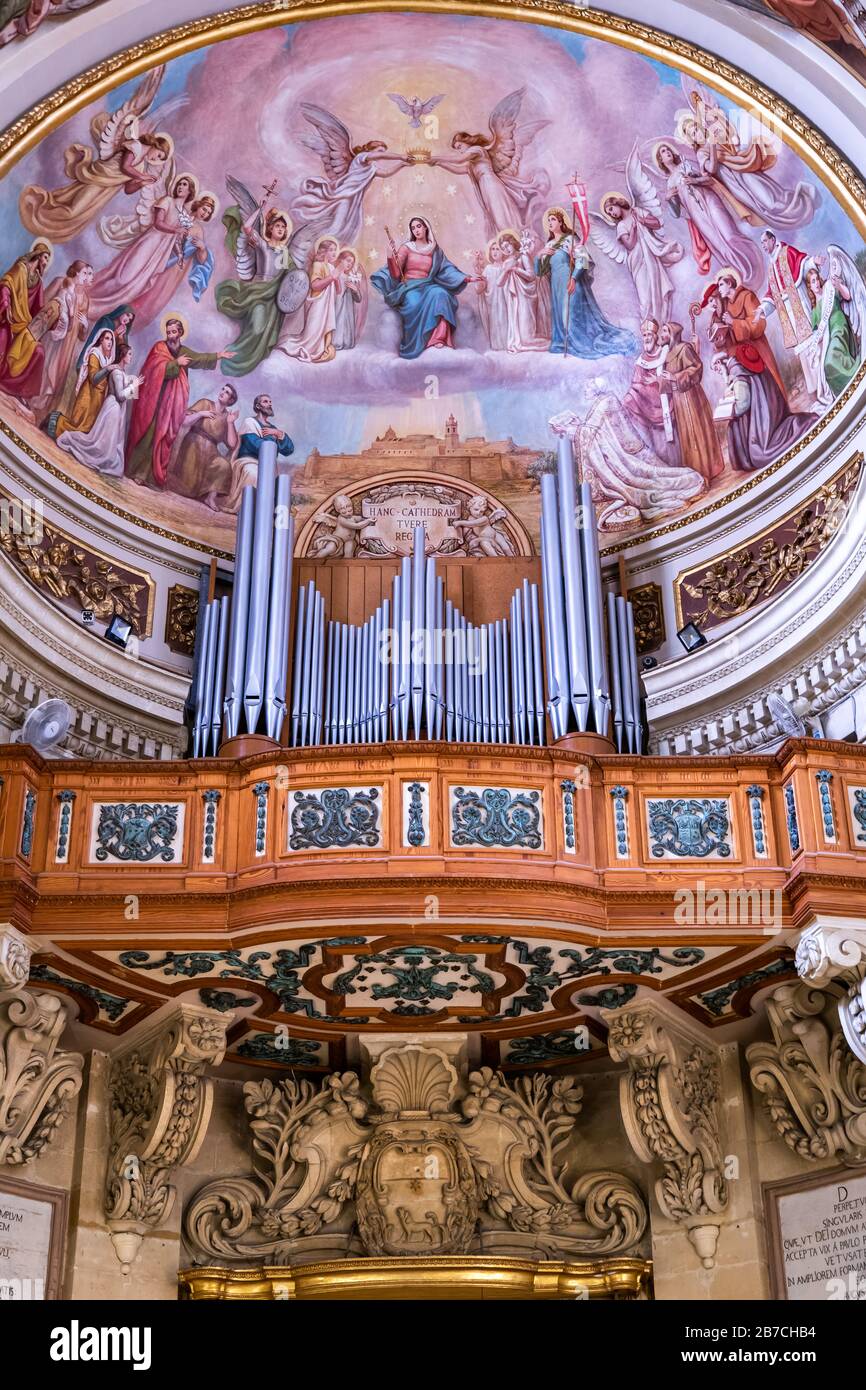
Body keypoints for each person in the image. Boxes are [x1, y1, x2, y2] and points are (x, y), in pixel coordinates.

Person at [550, 390, 705, 531]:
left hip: (615, 477)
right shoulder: (584, 432)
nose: (562, 437)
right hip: (601, 482)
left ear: (568, 424)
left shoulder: (583, 433)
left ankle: (680, 483)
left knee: (643, 482)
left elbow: (601, 462)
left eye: (561, 432)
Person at [125, 315, 234, 488]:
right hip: (153, 401)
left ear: (180, 333)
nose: (170, 335)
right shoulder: (159, 347)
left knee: (162, 438)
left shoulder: (184, 351)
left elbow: (199, 358)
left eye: (174, 332)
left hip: (169, 405)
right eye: (168, 332)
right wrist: (176, 363)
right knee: (149, 434)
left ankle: (151, 477)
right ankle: (137, 472)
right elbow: (152, 369)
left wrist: (218, 355)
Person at [88, 173, 199, 320]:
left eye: (184, 185)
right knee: (124, 278)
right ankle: (89, 296)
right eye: (179, 184)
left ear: (190, 191)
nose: (180, 186)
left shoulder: (184, 214)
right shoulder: (167, 201)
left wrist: (179, 253)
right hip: (150, 242)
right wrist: (175, 230)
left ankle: (101, 310)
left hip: (160, 252)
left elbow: (176, 239)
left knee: (137, 286)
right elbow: (158, 223)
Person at [653, 142, 763, 283]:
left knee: (730, 236)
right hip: (698, 215)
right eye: (663, 151)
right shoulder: (670, 184)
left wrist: (694, 180)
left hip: (710, 200)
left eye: (668, 149)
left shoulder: (686, 165)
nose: (667, 151)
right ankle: (741, 277)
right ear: (661, 160)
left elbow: (708, 179)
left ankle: (755, 263)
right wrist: (669, 199)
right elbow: (676, 213)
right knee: (720, 246)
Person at [534, 208, 637, 359]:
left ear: (561, 222)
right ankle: (564, 343)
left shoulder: (571, 239)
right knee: (562, 319)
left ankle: (580, 343)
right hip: (556, 287)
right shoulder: (549, 245)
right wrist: (538, 256)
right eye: (548, 220)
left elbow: (583, 261)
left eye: (553, 219)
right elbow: (540, 272)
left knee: (572, 317)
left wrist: (574, 278)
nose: (550, 222)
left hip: (572, 282)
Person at [371, 216, 477, 358]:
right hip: (409, 287)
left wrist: (467, 278)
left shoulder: (434, 250)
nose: (416, 230)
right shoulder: (407, 248)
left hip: (428, 285)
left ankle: (438, 339)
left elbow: (447, 270)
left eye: (419, 226)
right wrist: (390, 256)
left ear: (426, 227)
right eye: (413, 228)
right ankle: (415, 343)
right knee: (413, 303)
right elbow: (396, 273)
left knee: (441, 294)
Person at [217, 191, 297, 376]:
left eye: (283, 228)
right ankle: (236, 354)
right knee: (257, 327)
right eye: (277, 225)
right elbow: (246, 228)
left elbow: (293, 277)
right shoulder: (262, 244)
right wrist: (259, 208)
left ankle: (250, 357)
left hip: (274, 299)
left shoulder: (285, 253)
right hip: (258, 292)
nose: (280, 229)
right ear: (270, 228)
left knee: (266, 332)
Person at [712, 350, 814, 472]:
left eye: (716, 368)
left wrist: (729, 411)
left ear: (720, 362)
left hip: (762, 417)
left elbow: (743, 403)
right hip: (770, 407)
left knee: (757, 451)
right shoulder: (739, 363)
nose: (717, 372)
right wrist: (725, 377)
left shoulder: (736, 370)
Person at [57, 341, 143, 476]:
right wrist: (134, 386)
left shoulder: (121, 372)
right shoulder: (117, 373)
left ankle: (102, 459)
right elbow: (120, 396)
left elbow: (126, 396)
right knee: (102, 445)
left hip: (117, 409)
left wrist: (133, 386)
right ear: (123, 355)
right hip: (113, 409)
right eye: (130, 354)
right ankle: (80, 446)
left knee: (107, 443)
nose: (131, 357)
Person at [659, 321, 724, 483]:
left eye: (665, 331)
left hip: (691, 396)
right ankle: (696, 473)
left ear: (673, 334)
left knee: (697, 431)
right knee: (687, 434)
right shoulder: (666, 354)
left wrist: (675, 377)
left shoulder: (684, 348)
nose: (662, 334)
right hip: (679, 399)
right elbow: (667, 379)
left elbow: (696, 367)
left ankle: (707, 469)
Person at [712, 268, 788, 402]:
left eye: (721, 285)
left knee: (771, 392)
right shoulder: (727, 307)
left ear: (729, 283)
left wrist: (734, 322)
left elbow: (758, 324)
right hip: (742, 356)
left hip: (758, 350)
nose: (719, 289)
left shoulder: (747, 296)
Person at [32, 259, 93, 416]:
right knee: (43, 364)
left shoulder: (85, 300)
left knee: (55, 375)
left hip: (67, 346)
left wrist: (85, 326)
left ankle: (38, 409)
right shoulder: (61, 282)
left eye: (89, 274)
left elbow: (81, 336)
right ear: (77, 272)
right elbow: (43, 302)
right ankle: (28, 396)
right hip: (53, 335)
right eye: (85, 273)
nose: (87, 277)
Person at [166, 382, 239, 506]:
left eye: (227, 392)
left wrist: (231, 423)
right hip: (193, 445)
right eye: (223, 389)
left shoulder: (227, 417)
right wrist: (200, 414)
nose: (222, 392)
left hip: (211, 453)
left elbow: (232, 444)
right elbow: (184, 421)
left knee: (224, 466)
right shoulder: (205, 403)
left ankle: (210, 498)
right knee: (187, 488)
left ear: (231, 400)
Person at [219, 394, 294, 513]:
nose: (269, 404)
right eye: (265, 401)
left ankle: (260, 513)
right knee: (254, 474)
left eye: (270, 402)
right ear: (258, 406)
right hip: (248, 461)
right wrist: (272, 440)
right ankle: (244, 509)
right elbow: (256, 446)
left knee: (275, 485)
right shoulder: (250, 422)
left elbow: (289, 450)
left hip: (268, 466)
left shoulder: (273, 429)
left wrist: (279, 434)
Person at [798, 261, 861, 403]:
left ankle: (854, 374)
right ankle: (846, 390)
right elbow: (818, 334)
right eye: (812, 282)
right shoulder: (814, 311)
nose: (816, 283)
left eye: (817, 279)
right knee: (826, 365)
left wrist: (838, 285)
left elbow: (848, 296)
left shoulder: (829, 290)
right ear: (809, 286)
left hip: (839, 327)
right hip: (828, 337)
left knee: (832, 357)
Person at [623, 318, 681, 468]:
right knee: (659, 449)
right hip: (649, 411)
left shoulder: (666, 353)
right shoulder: (640, 361)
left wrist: (658, 380)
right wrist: (631, 398)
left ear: (655, 336)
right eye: (644, 335)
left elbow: (675, 373)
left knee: (674, 448)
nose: (647, 338)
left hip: (667, 407)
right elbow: (636, 384)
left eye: (649, 334)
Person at [0, 240, 53, 401]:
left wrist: (50, 320)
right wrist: (6, 305)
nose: (45, 262)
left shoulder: (38, 281)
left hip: (24, 326)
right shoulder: (21, 269)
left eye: (48, 260)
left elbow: (39, 308)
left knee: (39, 351)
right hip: (8, 319)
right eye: (45, 257)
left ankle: (20, 389)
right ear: (36, 255)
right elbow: (6, 285)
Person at [44, 327, 115, 442]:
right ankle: (53, 423)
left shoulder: (107, 359)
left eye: (111, 339)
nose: (110, 342)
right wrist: (107, 370)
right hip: (87, 397)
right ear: (101, 340)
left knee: (86, 429)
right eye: (107, 338)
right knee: (79, 427)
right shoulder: (94, 354)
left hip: (96, 399)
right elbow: (93, 378)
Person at [279, 237, 340, 362]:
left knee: (325, 330)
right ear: (324, 251)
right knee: (312, 330)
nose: (335, 253)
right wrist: (331, 277)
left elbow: (338, 291)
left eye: (336, 250)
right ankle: (310, 347)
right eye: (331, 250)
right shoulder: (318, 265)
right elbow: (315, 285)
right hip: (317, 303)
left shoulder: (332, 268)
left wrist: (337, 276)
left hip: (328, 307)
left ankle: (323, 347)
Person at [497, 230, 546, 352]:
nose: (506, 249)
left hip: (526, 297)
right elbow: (499, 283)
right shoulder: (506, 262)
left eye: (507, 245)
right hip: (513, 299)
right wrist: (506, 270)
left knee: (527, 336)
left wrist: (516, 269)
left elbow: (531, 276)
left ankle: (547, 343)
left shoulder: (523, 256)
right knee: (519, 336)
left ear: (513, 243)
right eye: (503, 248)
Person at [332, 248, 364, 351]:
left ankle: (346, 341)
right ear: (340, 260)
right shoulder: (334, 274)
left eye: (352, 263)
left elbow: (358, 299)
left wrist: (355, 290)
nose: (350, 264)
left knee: (346, 323)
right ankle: (335, 342)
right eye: (348, 260)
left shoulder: (351, 277)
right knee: (338, 322)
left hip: (348, 309)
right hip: (337, 307)